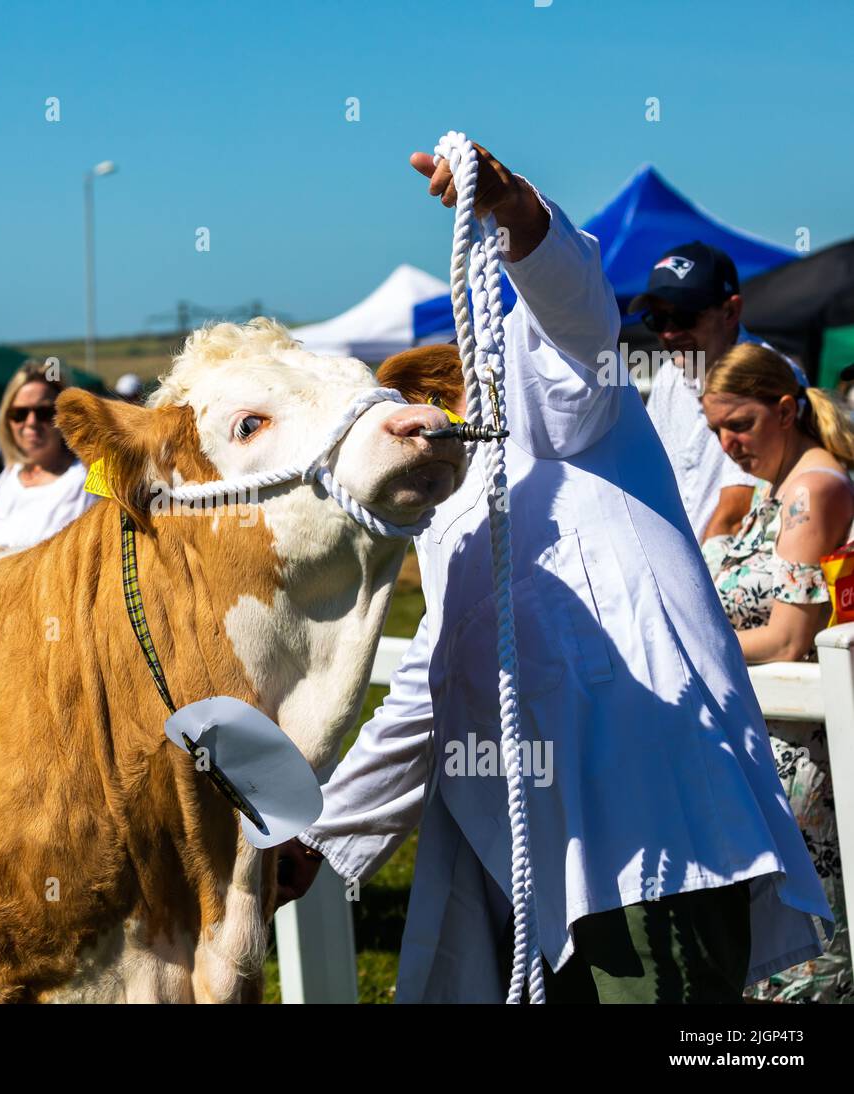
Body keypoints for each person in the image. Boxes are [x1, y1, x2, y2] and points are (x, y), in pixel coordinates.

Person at [276, 141, 831, 1003]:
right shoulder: (453, 526)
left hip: (654, 843)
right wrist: (321, 841)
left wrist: (515, 212)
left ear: (464, 390)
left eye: (421, 414)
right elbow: (427, 693)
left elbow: (575, 310)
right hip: (550, 885)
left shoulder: (561, 410)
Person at [701, 342, 854, 1003]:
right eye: (716, 430)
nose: (728, 443)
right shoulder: (775, 492)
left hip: (796, 747)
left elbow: (793, 637)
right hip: (762, 737)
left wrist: (693, 645)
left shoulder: (812, 492)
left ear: (785, 409)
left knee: (803, 942)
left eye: (740, 424)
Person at [636, 242, 768, 542]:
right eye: (657, 319)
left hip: (728, 575)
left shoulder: (765, 379)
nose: (668, 332)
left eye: (684, 316)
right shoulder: (669, 374)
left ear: (731, 311)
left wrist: (692, 583)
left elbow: (736, 514)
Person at [0, 362, 97, 554]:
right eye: (19, 414)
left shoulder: (86, 479)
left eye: (44, 413)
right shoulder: (9, 477)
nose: (31, 423)